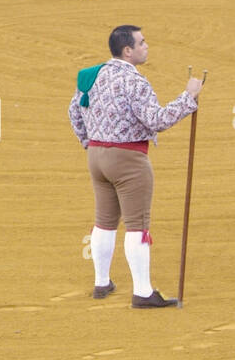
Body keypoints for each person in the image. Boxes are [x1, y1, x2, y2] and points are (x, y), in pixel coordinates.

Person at [69, 25, 203, 308]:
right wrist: (188, 97)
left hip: (96, 157)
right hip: (128, 161)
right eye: (142, 43)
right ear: (127, 51)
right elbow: (157, 121)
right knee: (136, 226)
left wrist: (88, 142)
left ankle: (101, 282)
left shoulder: (91, 76)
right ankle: (143, 292)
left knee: (104, 221)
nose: (147, 46)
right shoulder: (136, 82)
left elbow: (74, 112)